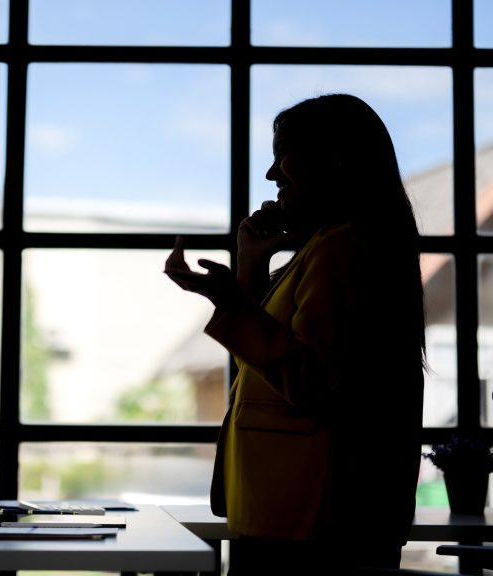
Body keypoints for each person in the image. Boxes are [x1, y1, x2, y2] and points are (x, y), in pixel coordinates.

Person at [164, 93, 426, 574]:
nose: (271, 175)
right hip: (303, 513)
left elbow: (315, 385)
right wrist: (251, 266)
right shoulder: (336, 246)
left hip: (311, 522)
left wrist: (231, 302)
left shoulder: (343, 248)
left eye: (282, 153)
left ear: (334, 159)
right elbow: (269, 365)